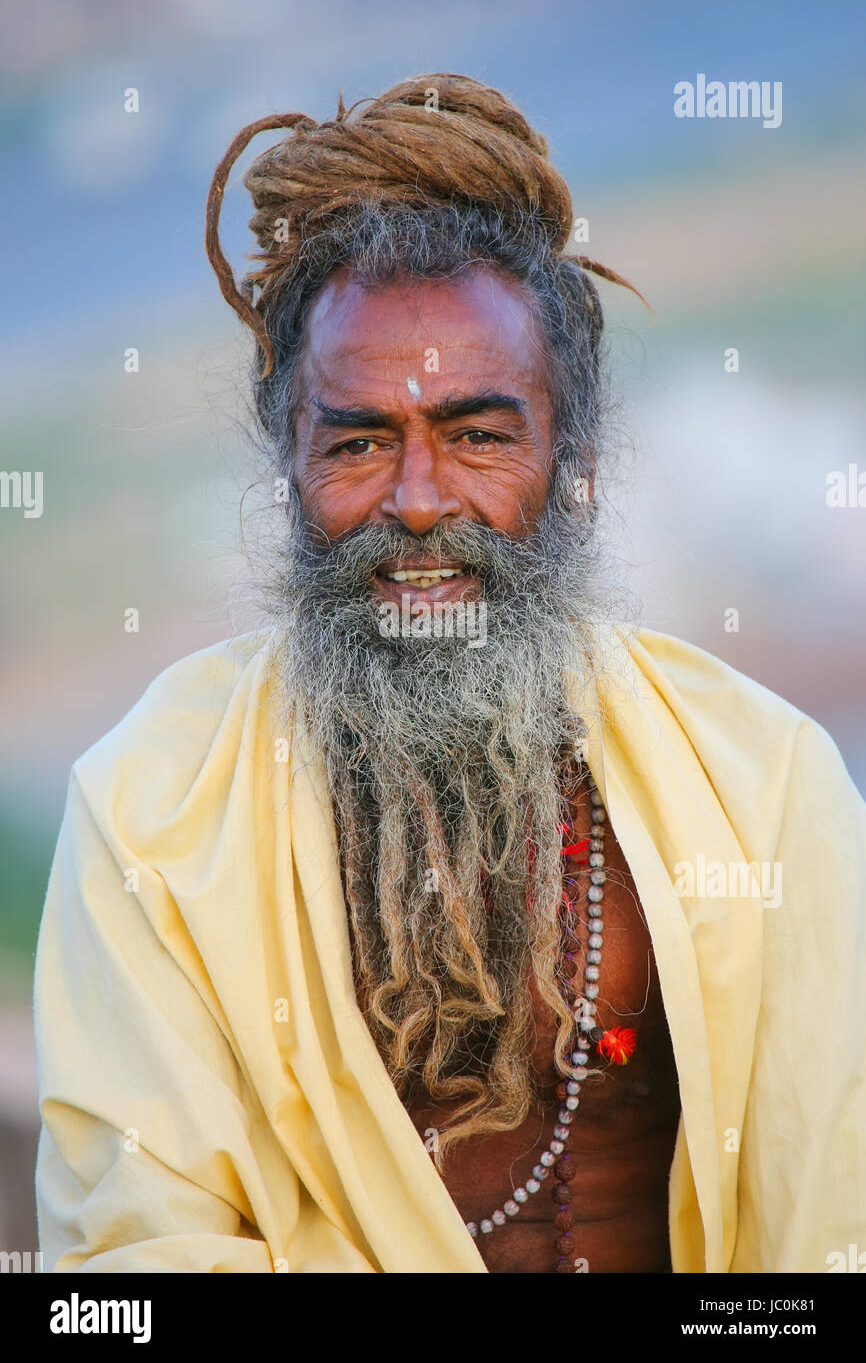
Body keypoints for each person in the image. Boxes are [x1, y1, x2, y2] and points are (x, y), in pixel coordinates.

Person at [33, 73, 866, 1274]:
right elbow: (125, 1269)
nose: (418, 503)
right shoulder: (148, 816)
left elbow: (833, 1228)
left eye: (477, 436)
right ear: (287, 463)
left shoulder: (768, 786)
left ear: (570, 457)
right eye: (359, 442)